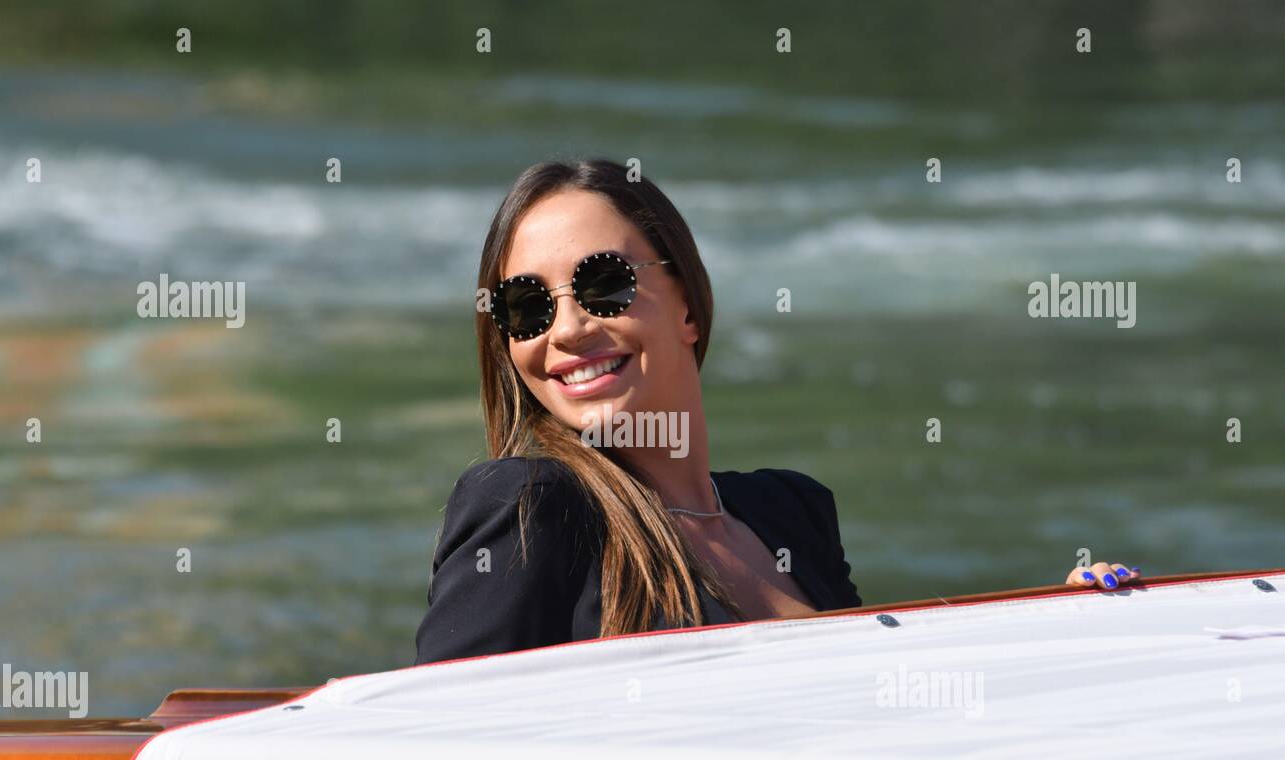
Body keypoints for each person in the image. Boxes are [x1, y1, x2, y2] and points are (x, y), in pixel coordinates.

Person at [414, 158, 1137, 666]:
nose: (566, 329)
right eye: (526, 305)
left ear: (690, 308)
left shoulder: (791, 512)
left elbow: (881, 712)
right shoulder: (528, 504)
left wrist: (1056, 632)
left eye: (604, 283)